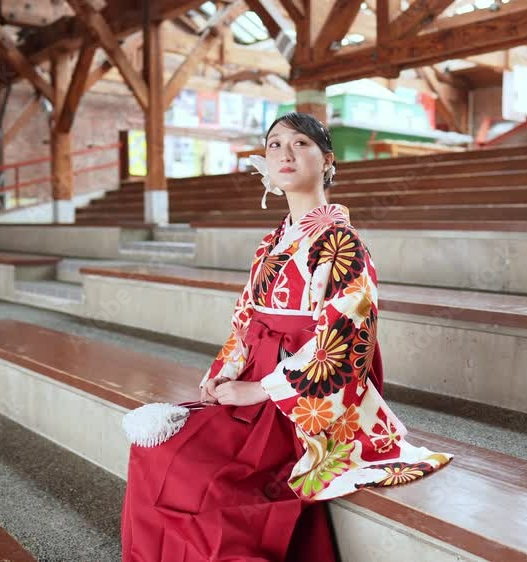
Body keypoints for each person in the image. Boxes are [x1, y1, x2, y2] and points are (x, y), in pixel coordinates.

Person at [120, 112, 453, 562]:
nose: (285, 153)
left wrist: (261, 389)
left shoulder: (342, 243)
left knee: (210, 481)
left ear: (327, 160)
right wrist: (224, 375)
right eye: (275, 144)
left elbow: (344, 340)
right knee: (155, 449)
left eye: (300, 143)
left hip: (299, 400)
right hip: (254, 380)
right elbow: (245, 320)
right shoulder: (270, 243)